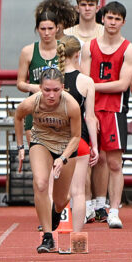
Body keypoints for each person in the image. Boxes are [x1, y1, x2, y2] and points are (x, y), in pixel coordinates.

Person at [13, 67, 81, 253]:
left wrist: (63, 158)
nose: (51, 95)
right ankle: (48, 236)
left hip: (66, 146)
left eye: (56, 90)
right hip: (40, 141)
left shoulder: (71, 105)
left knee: (60, 200)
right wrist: (20, 147)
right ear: (40, 88)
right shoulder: (31, 103)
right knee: (41, 184)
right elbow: (18, 117)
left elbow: (76, 137)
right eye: (47, 90)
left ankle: (57, 211)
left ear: (63, 88)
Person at [87, 1, 132, 229]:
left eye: (117, 19)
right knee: (91, 160)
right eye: (110, 18)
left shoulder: (129, 48)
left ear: (123, 22)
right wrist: (89, 104)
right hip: (91, 108)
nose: (113, 22)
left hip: (115, 110)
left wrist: (93, 87)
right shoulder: (90, 46)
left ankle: (114, 209)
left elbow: (123, 84)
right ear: (103, 19)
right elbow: (82, 77)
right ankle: (94, 205)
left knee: (115, 163)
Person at [55, 36, 98, 233]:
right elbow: (90, 117)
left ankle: (50, 233)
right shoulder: (86, 81)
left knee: (51, 190)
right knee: (78, 192)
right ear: (78, 55)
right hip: (78, 140)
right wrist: (94, 146)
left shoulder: (50, 78)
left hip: (53, 141)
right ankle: (77, 236)